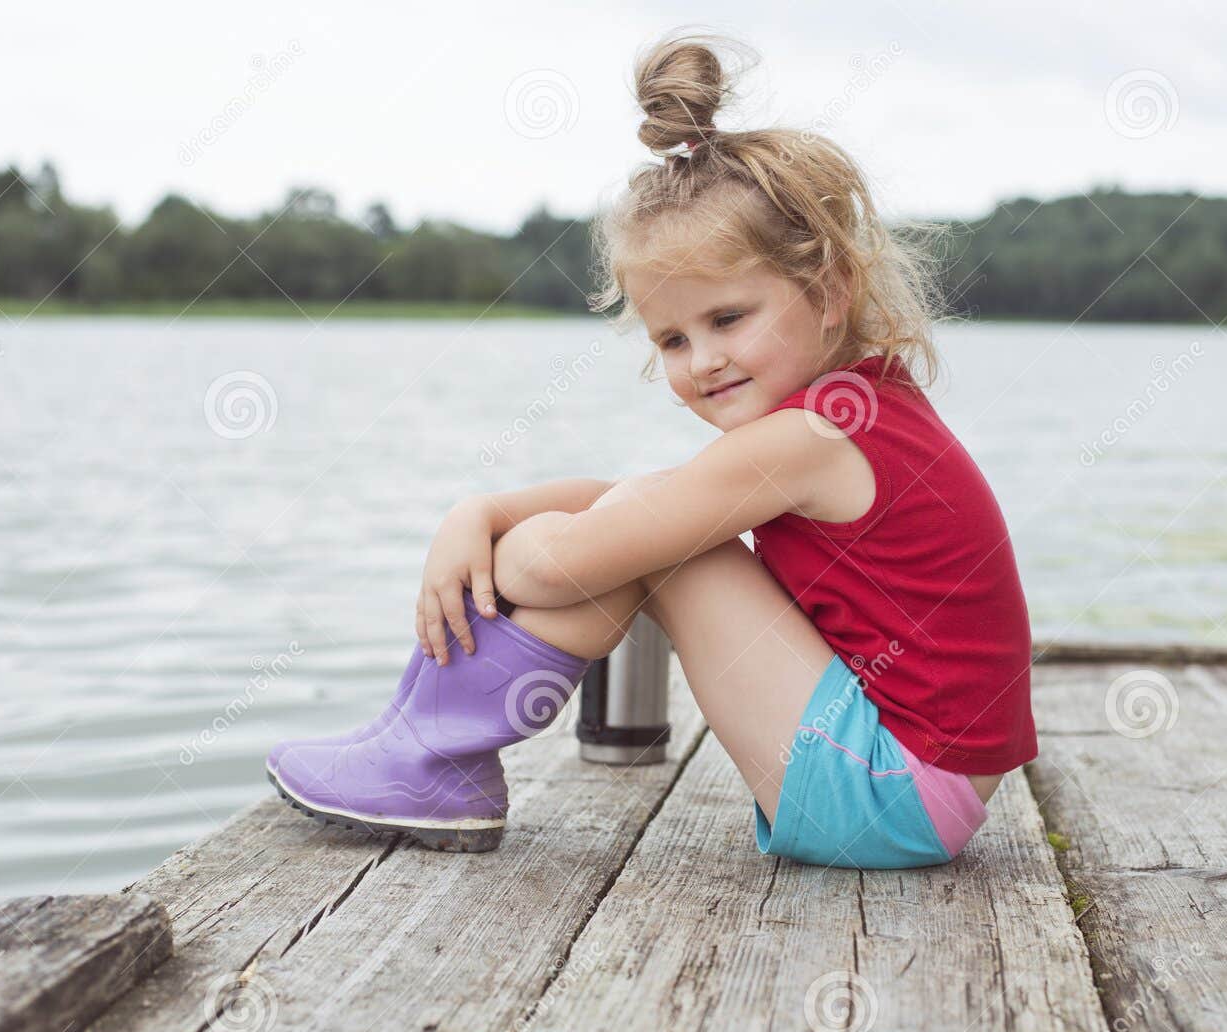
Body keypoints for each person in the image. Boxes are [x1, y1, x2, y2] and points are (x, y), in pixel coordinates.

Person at [268, 31, 1038, 868]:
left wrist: (510, 546)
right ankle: (415, 744)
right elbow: (641, 501)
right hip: (915, 787)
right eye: (671, 338)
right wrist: (481, 509)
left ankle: (429, 758)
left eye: (728, 319)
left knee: (656, 545)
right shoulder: (858, 407)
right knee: (651, 524)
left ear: (828, 294)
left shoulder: (811, 435)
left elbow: (562, 566)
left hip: (892, 795)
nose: (702, 360)